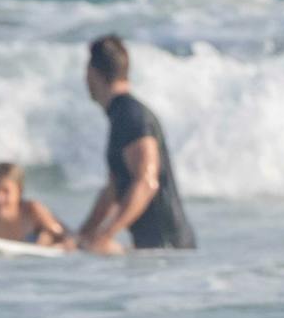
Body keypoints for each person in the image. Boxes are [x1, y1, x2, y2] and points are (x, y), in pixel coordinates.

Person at [77, 35, 197, 254]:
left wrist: (106, 235)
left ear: (93, 73)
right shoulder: (120, 115)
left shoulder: (131, 116)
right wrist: (83, 235)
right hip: (156, 249)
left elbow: (145, 182)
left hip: (169, 249)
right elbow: (113, 190)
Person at [0, 162, 72, 247]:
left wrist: (49, 238)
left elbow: (67, 236)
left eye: (5, 191)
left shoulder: (32, 210)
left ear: (19, 191)